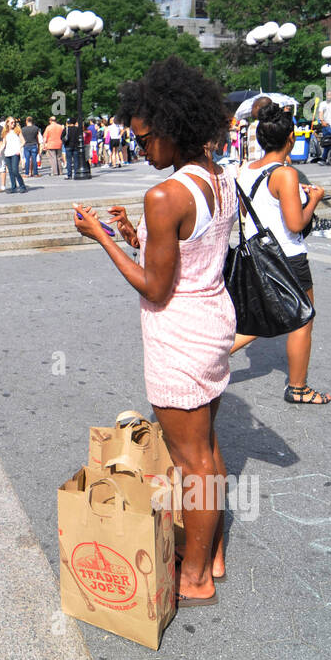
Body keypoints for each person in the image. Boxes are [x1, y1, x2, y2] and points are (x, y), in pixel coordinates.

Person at [73, 56, 238, 608]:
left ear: (172, 129)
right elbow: (196, 251)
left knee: (191, 461)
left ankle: (194, 577)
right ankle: (209, 549)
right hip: (214, 319)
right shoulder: (218, 176)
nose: (141, 149)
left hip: (181, 333)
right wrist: (135, 231)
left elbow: (155, 287)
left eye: (145, 140)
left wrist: (103, 237)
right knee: (208, 449)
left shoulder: (166, 195)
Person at [231, 102, 331, 404]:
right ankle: (298, 388)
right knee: (302, 318)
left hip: (259, 255)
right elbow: (296, 223)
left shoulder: (246, 170)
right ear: (291, 139)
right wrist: (314, 199)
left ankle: (206, 355)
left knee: (265, 315)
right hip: (288, 256)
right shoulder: (285, 174)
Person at [1, 117, 27, 193]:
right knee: (11, 171)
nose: (13, 124)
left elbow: (23, 141)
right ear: (7, 123)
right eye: (11, 122)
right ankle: (13, 187)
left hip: (15, 153)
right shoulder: (5, 132)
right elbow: (4, 143)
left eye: (14, 122)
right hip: (8, 153)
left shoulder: (17, 131)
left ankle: (22, 186)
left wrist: (19, 149)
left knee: (15, 170)